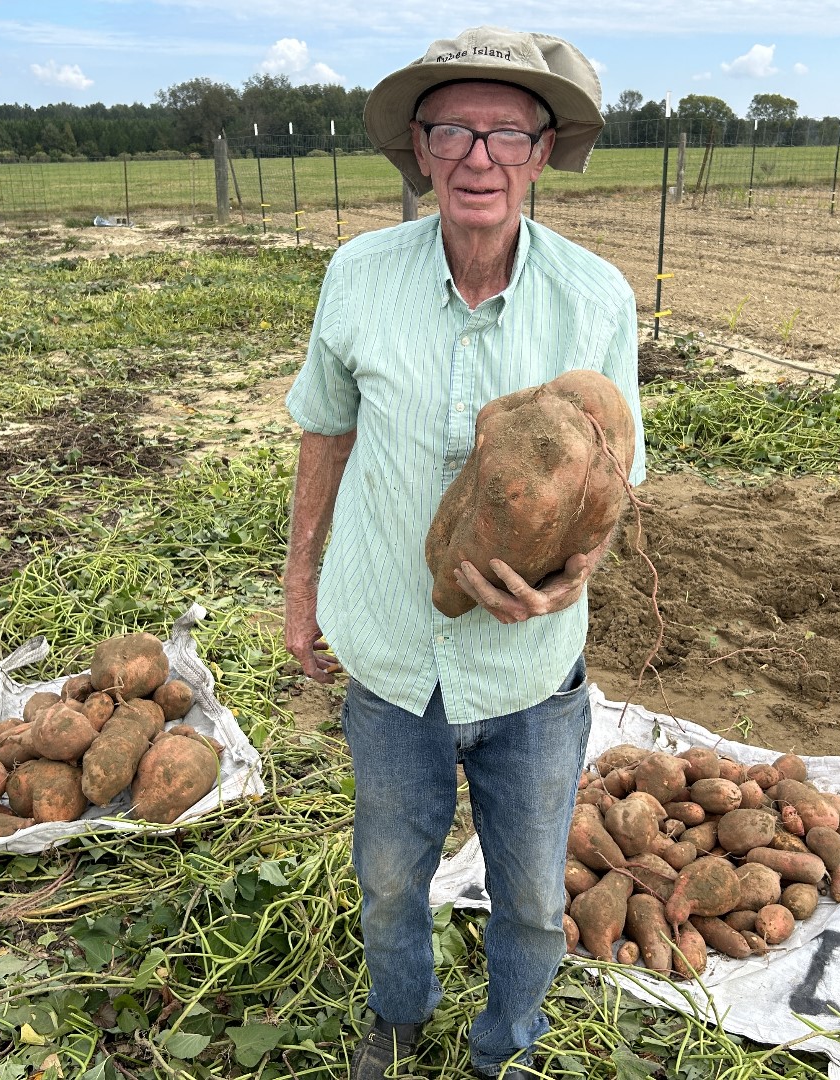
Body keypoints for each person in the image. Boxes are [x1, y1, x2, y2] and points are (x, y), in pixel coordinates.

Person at [281, 26, 647, 1080]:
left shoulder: (596, 298)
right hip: (392, 655)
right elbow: (325, 432)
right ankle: (397, 1015)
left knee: (533, 897)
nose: (477, 156)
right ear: (420, 148)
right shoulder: (357, 276)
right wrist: (301, 581)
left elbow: (614, 482)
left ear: (542, 152)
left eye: (504, 132)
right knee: (392, 875)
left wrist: (579, 564)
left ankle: (506, 1049)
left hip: (530, 672)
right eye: (452, 130)